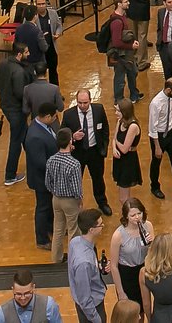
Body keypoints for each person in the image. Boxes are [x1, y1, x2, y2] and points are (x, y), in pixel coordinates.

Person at [64, 89, 112, 215]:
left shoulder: (99, 110)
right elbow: (63, 135)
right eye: (80, 103)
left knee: (98, 179)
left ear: (90, 100)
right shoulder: (69, 114)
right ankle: (76, 207)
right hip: (77, 154)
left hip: (95, 152)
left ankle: (102, 202)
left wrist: (104, 148)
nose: (82, 106)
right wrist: (73, 137)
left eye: (85, 103)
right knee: (75, 180)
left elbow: (105, 129)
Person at [26, 104, 63, 251]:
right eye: (54, 117)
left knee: (48, 205)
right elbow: (41, 162)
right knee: (43, 207)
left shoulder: (43, 127)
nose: (55, 119)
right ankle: (41, 239)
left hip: (48, 178)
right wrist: (59, 165)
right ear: (47, 117)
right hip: (41, 180)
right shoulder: (35, 136)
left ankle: (50, 227)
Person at [0, 40, 34, 186]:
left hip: (6, 105)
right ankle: (10, 175)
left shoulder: (3, 64)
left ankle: (33, 161)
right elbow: (21, 94)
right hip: (16, 110)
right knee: (16, 141)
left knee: (24, 135)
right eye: (26, 52)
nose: (29, 54)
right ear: (19, 54)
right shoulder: (19, 72)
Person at [47, 128, 85, 264]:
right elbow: (76, 187)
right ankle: (74, 260)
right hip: (70, 201)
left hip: (56, 199)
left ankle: (56, 259)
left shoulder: (51, 160)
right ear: (70, 141)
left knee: (58, 230)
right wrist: (80, 200)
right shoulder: (74, 164)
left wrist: (55, 192)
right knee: (74, 230)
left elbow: (48, 182)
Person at [109, 197, 153, 304]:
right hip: (126, 275)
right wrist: (120, 292)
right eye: (132, 215)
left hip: (143, 270)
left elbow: (152, 254)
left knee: (144, 306)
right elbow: (113, 266)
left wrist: (152, 243)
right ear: (126, 217)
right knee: (131, 311)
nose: (137, 217)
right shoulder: (118, 235)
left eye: (139, 213)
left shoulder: (148, 225)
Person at [149, 79, 172, 202]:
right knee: (156, 162)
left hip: (171, 132)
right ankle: (154, 186)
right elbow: (152, 127)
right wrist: (157, 146)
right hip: (158, 136)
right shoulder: (155, 103)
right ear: (168, 90)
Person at [69, 208, 108, 323]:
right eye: (101, 225)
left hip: (90, 304)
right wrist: (97, 319)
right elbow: (85, 299)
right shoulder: (84, 263)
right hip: (92, 309)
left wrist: (98, 267)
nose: (103, 226)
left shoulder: (75, 241)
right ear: (92, 229)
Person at [0, 268, 65, 323]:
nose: (23, 298)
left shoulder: (49, 305)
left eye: (27, 293)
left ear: (33, 288)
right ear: (13, 290)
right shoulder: (2, 313)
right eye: (18, 294)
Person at [111, 100, 142, 204]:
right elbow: (114, 138)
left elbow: (124, 149)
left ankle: (128, 216)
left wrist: (117, 143)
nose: (116, 113)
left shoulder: (133, 126)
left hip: (128, 162)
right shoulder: (120, 121)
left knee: (124, 198)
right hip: (119, 160)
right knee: (121, 197)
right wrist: (114, 149)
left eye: (118, 111)